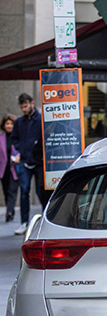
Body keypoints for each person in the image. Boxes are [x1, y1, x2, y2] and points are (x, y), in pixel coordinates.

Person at [12, 93, 48, 235]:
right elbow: (14, 138)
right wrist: (20, 148)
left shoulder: (41, 120)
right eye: (22, 107)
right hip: (25, 160)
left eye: (26, 106)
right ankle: (24, 222)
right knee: (24, 191)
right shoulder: (19, 122)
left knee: (41, 192)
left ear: (32, 103)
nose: (24, 110)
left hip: (38, 161)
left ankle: (45, 222)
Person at [0, 115, 18, 222]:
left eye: (11, 123)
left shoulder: (17, 137)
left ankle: (9, 212)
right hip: (3, 169)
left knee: (12, 190)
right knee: (6, 190)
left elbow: (21, 149)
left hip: (14, 168)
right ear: (4, 125)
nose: (9, 126)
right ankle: (10, 209)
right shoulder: (1, 137)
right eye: (7, 124)